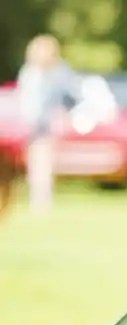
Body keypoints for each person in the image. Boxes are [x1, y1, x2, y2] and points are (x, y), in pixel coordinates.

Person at [16, 34, 77, 214]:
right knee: (37, 161)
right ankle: (38, 198)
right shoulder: (29, 72)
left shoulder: (58, 73)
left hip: (47, 123)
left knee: (43, 161)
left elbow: (69, 96)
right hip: (31, 123)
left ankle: (42, 199)